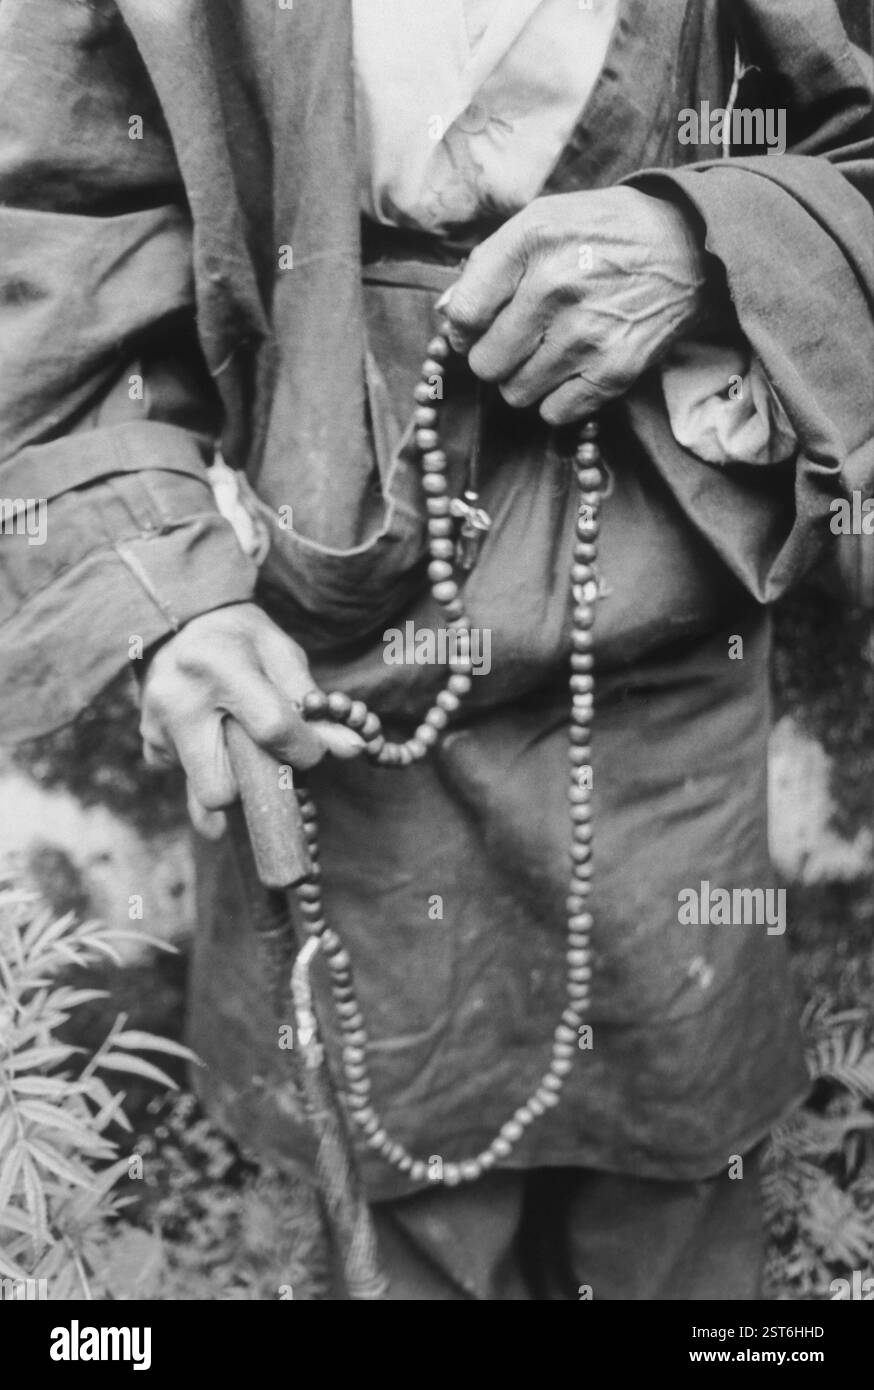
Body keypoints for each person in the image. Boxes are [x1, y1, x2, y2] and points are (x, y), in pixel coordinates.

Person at [0, 0, 871, 1300]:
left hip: (660, 570)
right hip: (316, 575)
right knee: (394, 1114)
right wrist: (163, 574)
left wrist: (720, 240)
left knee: (675, 1125)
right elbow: (66, 211)